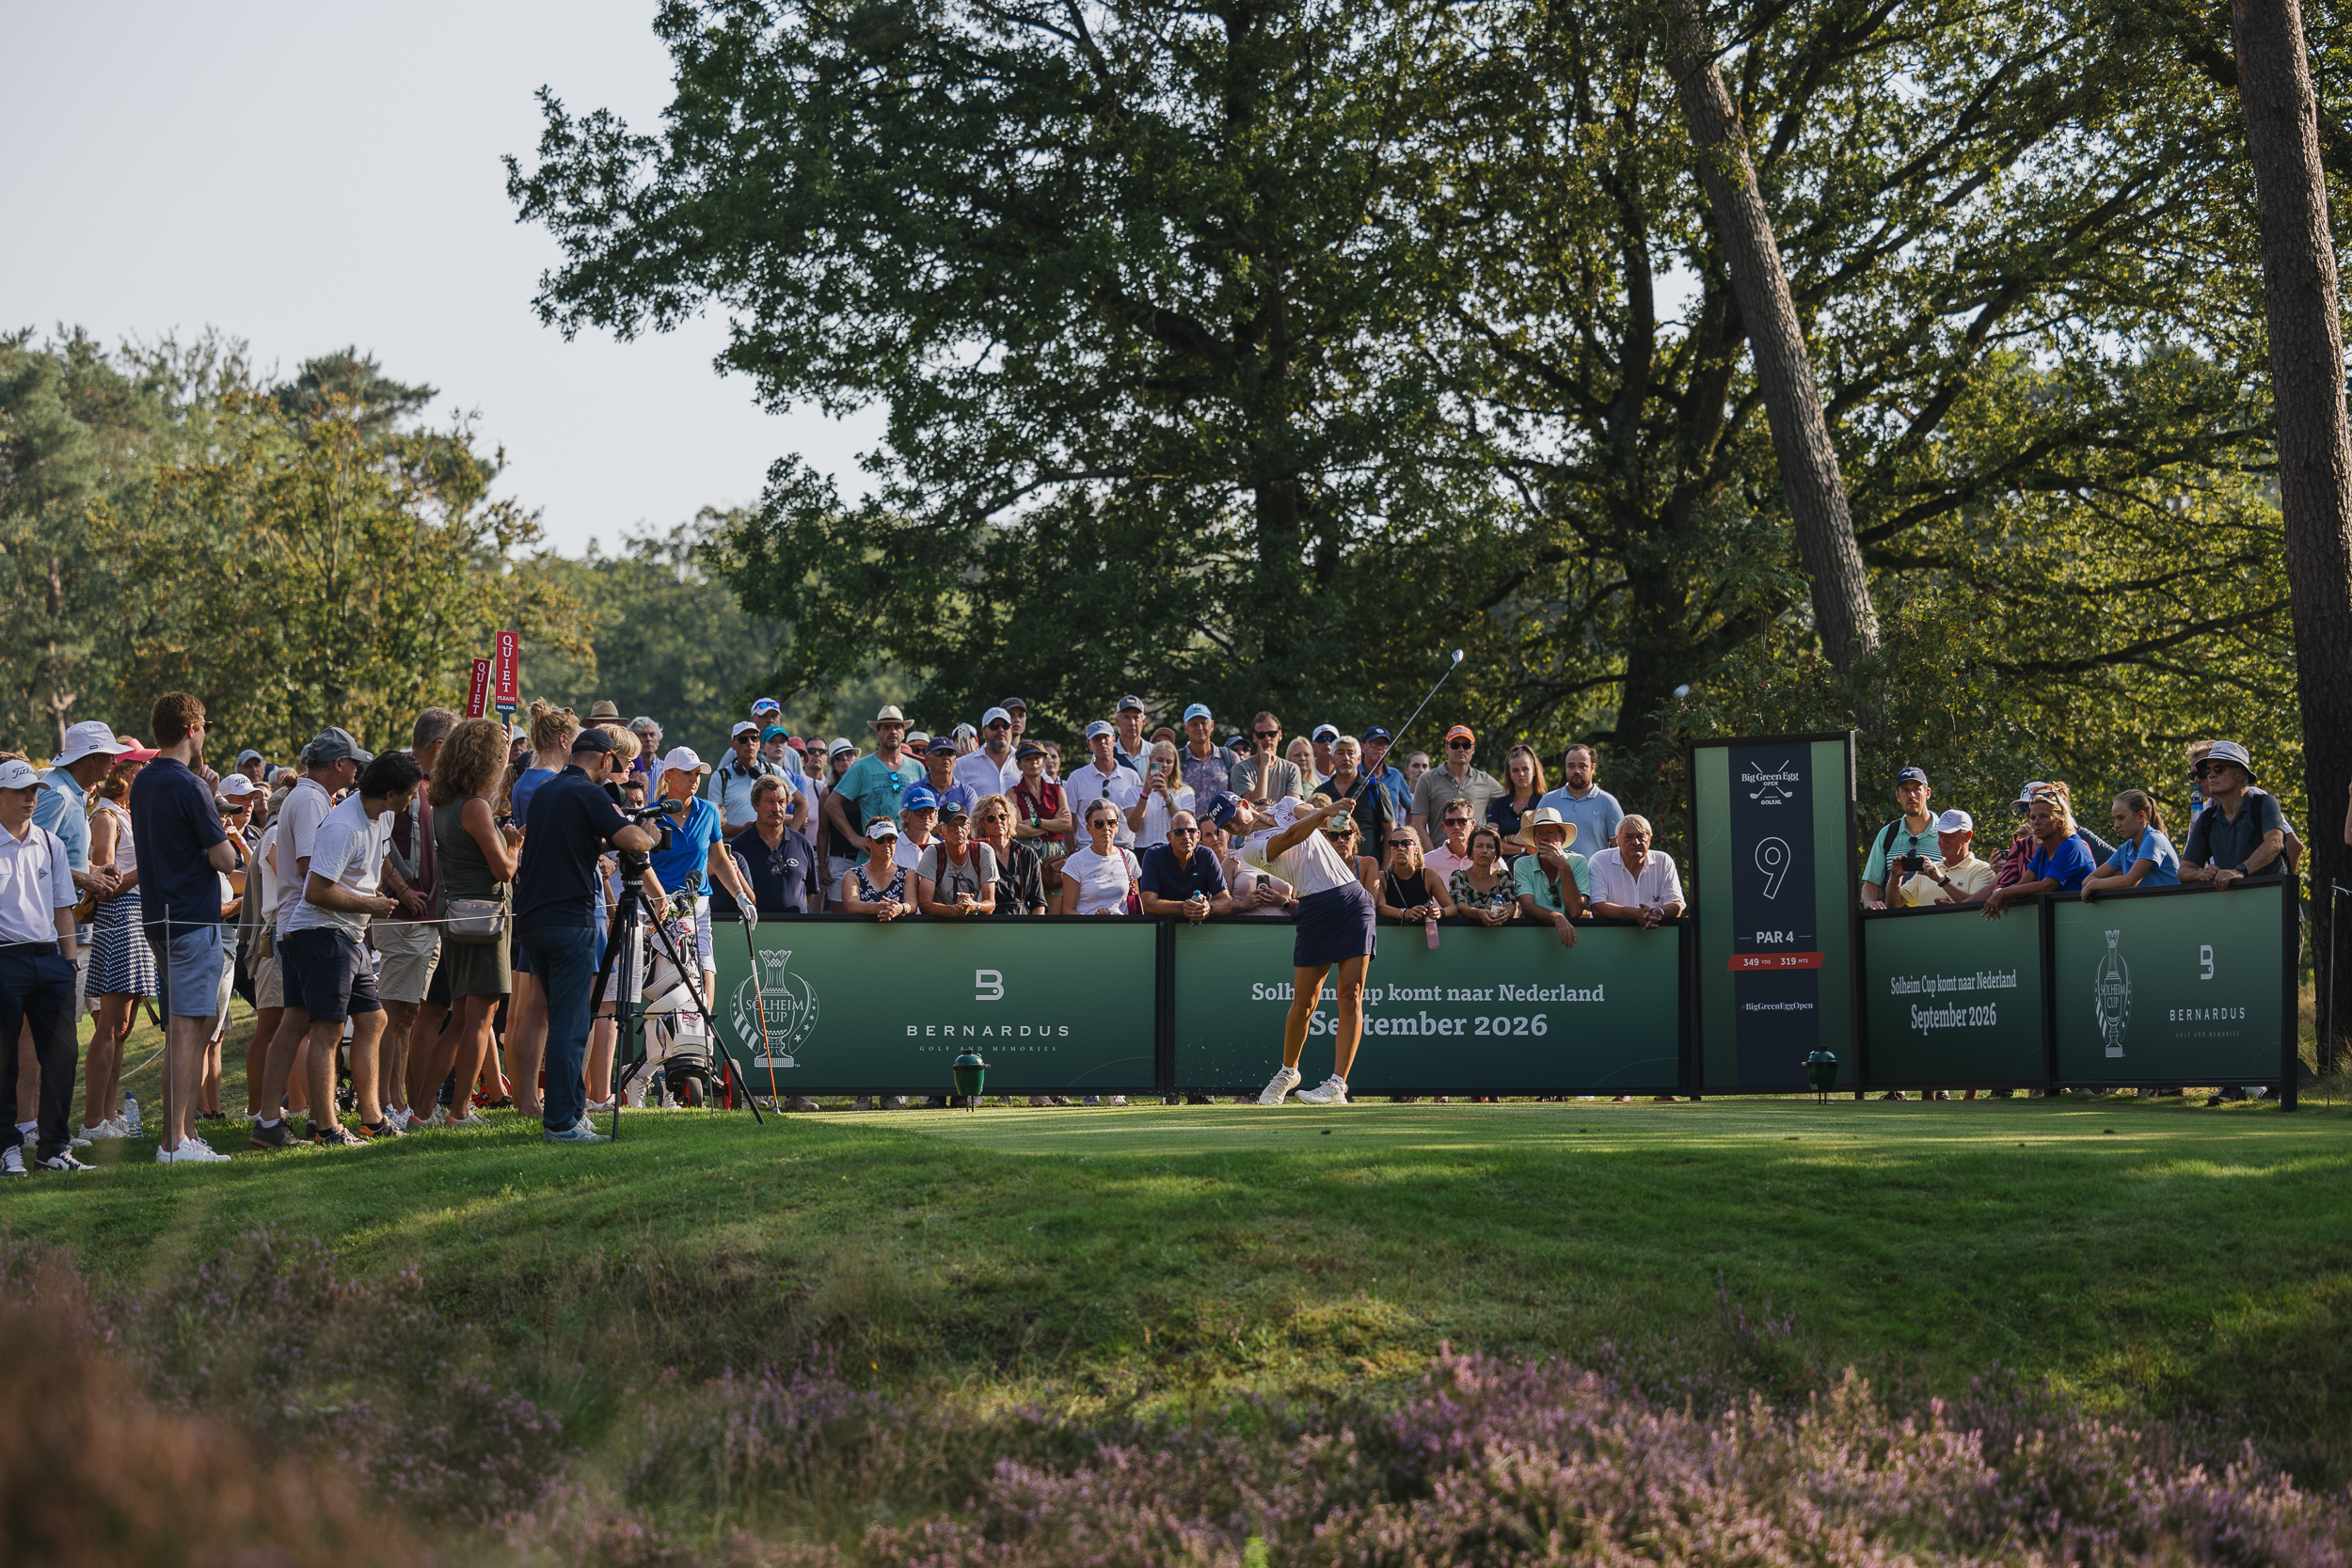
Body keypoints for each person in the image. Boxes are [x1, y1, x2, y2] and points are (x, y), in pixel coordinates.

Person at [510, 727, 659, 1144]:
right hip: (568, 919)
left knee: (560, 1018)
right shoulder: (590, 793)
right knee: (571, 1024)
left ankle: (572, 1111)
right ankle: (560, 1124)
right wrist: (654, 836)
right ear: (606, 758)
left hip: (534, 919)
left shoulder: (546, 790)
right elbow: (633, 841)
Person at [274, 750, 426, 1144]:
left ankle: (371, 1118)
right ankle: (326, 1127)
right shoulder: (342, 827)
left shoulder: (385, 814)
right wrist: (372, 904)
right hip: (321, 933)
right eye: (409, 793)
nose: (413, 800)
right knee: (327, 1030)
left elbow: (381, 858)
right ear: (390, 793)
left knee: (374, 1020)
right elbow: (316, 891)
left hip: (350, 934)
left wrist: (400, 891)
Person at [128, 693, 245, 1164]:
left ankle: (185, 1134)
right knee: (188, 1032)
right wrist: (217, 820)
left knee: (186, 1030)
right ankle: (174, 1144)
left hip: (160, 918)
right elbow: (224, 859)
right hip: (193, 919)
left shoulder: (144, 781)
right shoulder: (188, 785)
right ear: (193, 729)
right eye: (204, 729)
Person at [403, 717, 519, 1131]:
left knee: (457, 1020)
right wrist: (515, 846)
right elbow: (503, 869)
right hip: (485, 919)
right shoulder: (475, 806)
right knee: (479, 1021)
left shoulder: (443, 805)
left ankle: (420, 1111)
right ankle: (459, 1112)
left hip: (456, 918)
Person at [1221, 793, 1375, 1107]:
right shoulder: (1249, 850)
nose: (1234, 825)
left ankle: (1337, 1085)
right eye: (1227, 825)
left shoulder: (1288, 803)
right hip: (1314, 908)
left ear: (1245, 804)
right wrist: (1326, 813)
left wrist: (1337, 816)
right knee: (1304, 1003)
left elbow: (1318, 815)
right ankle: (1288, 1072)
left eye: (1233, 815)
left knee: (1350, 995)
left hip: (1351, 901)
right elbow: (1292, 836)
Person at [0, 756, 88, 1175]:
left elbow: (63, 910)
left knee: (61, 1056)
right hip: (4, 960)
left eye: (34, 790)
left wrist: (69, 965)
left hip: (50, 960)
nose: (30, 798)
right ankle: (6, 1147)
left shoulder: (50, 843)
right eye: (20, 791)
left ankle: (53, 1147)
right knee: (6, 1060)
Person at [373, 708, 455, 1132]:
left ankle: (397, 1099)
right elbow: (377, 842)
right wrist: (403, 889)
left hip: (427, 920)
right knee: (394, 1012)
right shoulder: (400, 780)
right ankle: (387, 1102)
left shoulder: (428, 787)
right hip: (403, 916)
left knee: (408, 1014)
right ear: (440, 746)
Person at [80, 752, 154, 1146]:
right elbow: (104, 880)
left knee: (123, 1028)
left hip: (136, 917)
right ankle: (94, 1120)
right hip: (120, 916)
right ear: (123, 771)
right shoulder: (106, 816)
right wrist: (150, 867)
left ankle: (109, 1115)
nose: (146, 771)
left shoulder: (126, 813)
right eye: (140, 765)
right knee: (110, 1025)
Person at [648, 745, 755, 1007]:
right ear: (669, 775)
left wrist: (740, 895)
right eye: (687, 773)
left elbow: (717, 859)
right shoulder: (650, 815)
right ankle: (667, 1039)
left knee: (705, 962)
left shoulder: (708, 811)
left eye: (698, 773)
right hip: (660, 906)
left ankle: (703, 1029)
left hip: (698, 904)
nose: (694, 779)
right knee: (667, 977)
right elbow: (643, 865)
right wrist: (658, 898)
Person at [824, 705, 924, 868]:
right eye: (886, 727)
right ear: (877, 733)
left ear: (903, 732)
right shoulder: (861, 767)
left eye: (897, 727)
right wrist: (853, 837)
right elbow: (831, 803)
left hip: (910, 857)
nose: (893, 731)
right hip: (874, 859)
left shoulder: (917, 767)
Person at [711, 776, 822, 918]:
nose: (776, 808)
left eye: (781, 802)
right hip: (755, 929)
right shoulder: (738, 847)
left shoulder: (802, 844)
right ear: (755, 805)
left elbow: (809, 893)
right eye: (769, 802)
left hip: (796, 929)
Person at [2182, 741, 2285, 888]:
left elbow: (2275, 843)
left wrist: (2240, 871)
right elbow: (2184, 870)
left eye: (2218, 769)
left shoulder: (2264, 803)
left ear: (2239, 774)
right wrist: (2201, 874)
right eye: (2207, 771)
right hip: (2233, 906)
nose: (2211, 775)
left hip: (2272, 901)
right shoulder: (2206, 818)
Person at [1982, 794, 2095, 918]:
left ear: (2060, 820)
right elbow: (2021, 884)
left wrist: (2003, 893)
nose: (2036, 822)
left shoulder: (2072, 846)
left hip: (2081, 918)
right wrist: (1998, 893)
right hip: (2060, 919)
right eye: (2033, 817)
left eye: (2044, 816)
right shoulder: (2043, 851)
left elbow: (2046, 886)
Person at [1860, 766, 1940, 910]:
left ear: (1927, 793)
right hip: (1894, 924)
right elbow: (1870, 884)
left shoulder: (1945, 833)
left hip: (1936, 920)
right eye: (1905, 790)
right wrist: (1869, 902)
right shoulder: (1887, 834)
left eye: (1917, 789)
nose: (1911, 795)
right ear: (1898, 796)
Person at [1408, 726, 1502, 847]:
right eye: (1455, 745)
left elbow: (1513, 800)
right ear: (1447, 748)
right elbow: (1418, 825)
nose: (1461, 749)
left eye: (1466, 745)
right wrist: (1434, 857)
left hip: (1477, 859)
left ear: (1473, 749)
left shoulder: (1485, 780)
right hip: (1439, 858)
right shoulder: (1427, 780)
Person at [1586, 816, 1686, 927]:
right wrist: (1634, 914)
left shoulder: (1663, 861)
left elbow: (1677, 905)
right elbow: (1597, 907)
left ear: (1650, 839)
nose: (1635, 842)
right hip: (1609, 935)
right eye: (1628, 837)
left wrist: (1658, 913)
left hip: (1653, 937)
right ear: (1617, 840)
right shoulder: (1600, 860)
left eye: (1641, 836)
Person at [1511, 807, 1588, 947]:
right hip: (1529, 937)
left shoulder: (1578, 861)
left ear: (1562, 837)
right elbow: (1527, 908)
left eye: (1550, 832)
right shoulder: (1522, 864)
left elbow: (1575, 910)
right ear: (1534, 840)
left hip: (1569, 941)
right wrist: (1557, 917)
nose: (1544, 838)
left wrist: (1564, 867)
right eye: (1539, 834)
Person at [1201, 801, 1294, 915]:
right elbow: (1215, 904)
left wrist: (1283, 901)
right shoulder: (1234, 859)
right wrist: (1244, 904)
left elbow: (1308, 904)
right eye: (1227, 826)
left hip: (1284, 929)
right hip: (1244, 930)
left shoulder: (1292, 855)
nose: (1259, 825)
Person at [1311, 736, 1393, 863]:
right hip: (1329, 870)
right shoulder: (1320, 792)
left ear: (1359, 759)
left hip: (1369, 870)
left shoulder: (1375, 788)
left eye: (1351, 753)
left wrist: (1385, 869)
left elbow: (1390, 829)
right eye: (1340, 753)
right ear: (1332, 759)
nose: (1346, 758)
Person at [2084, 790, 2180, 896]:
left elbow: (2130, 881)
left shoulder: (2154, 839)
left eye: (2121, 818)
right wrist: (2093, 884)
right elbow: (2087, 881)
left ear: (2140, 816)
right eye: (2115, 819)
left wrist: (2094, 885)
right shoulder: (2125, 849)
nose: (2116, 825)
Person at [1136, 810, 1232, 918]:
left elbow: (1226, 902)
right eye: (1179, 831)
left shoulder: (1207, 855)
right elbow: (1147, 904)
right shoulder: (1154, 855)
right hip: (1163, 929)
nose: (1186, 836)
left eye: (1191, 831)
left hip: (1198, 927)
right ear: (1169, 837)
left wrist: (1208, 908)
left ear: (1198, 835)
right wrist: (1183, 908)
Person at [1535, 744, 1623, 858]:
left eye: (1582, 766)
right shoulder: (1548, 801)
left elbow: (1620, 849)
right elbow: (1533, 844)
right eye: (1571, 766)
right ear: (1565, 767)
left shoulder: (1608, 803)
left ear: (1593, 768)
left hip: (1594, 874)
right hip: (1554, 875)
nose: (1576, 771)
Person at [1058, 799, 1142, 915]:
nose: (1106, 828)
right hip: (1090, 930)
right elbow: (1068, 910)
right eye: (1099, 823)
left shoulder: (1128, 858)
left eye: (1111, 823)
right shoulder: (1076, 862)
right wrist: (1093, 919)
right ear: (1088, 829)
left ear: (1116, 827)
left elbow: (1136, 901)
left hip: (1123, 929)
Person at [1067, 721, 1142, 850]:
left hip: (1125, 848)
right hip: (1088, 848)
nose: (1102, 742)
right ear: (1089, 745)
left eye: (1105, 738)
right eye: (1096, 739)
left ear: (1113, 741)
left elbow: (1140, 816)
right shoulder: (1076, 778)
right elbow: (1069, 822)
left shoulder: (1131, 776)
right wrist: (1071, 852)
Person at [917, 798, 999, 916]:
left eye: (962, 825)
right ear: (940, 831)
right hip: (942, 926)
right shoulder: (933, 852)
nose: (958, 830)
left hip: (976, 924)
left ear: (969, 827)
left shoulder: (984, 851)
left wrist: (973, 906)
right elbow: (925, 904)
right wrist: (954, 910)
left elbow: (991, 904)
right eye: (952, 825)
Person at [1901, 809, 1996, 907]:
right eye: (1940, 836)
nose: (1942, 842)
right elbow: (1892, 904)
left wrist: (1941, 880)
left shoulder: (1984, 870)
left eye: (1950, 836)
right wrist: (1895, 877)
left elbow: (1977, 908)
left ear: (1967, 836)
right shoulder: (1927, 871)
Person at [974, 794, 1049, 916]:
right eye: (991, 818)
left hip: (1024, 924)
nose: (998, 821)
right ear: (981, 823)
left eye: (1003, 816)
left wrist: (1034, 931)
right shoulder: (976, 855)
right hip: (991, 924)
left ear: (1009, 819)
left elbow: (1039, 902)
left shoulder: (1027, 854)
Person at [708, 721, 784, 834]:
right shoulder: (720, 777)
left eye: (754, 738)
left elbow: (802, 803)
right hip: (734, 847)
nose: (750, 743)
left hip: (770, 847)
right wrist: (742, 830)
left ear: (759, 743)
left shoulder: (774, 771)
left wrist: (790, 835)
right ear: (733, 744)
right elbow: (713, 823)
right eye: (743, 740)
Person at [1009, 741, 1073, 871]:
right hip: (1024, 852)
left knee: (1055, 891)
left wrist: (1036, 822)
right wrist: (1053, 826)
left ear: (1043, 761)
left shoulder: (1058, 790)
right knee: (1026, 891)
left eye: (1038, 758)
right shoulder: (1013, 793)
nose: (1034, 762)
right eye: (1027, 759)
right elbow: (1017, 830)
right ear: (1019, 765)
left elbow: (1066, 825)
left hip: (1054, 855)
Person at [1126, 739, 1197, 850]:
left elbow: (1185, 826)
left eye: (1169, 762)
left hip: (1173, 850)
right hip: (1144, 850)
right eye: (1159, 760)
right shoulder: (1134, 791)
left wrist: (1166, 796)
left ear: (1174, 764)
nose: (1164, 765)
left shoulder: (1185, 792)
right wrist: (1145, 793)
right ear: (1150, 760)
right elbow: (1133, 826)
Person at [840, 816, 914, 919]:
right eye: (880, 839)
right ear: (868, 842)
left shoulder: (908, 874)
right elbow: (850, 905)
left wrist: (901, 908)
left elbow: (912, 903)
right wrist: (875, 907)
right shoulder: (852, 876)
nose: (886, 843)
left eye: (891, 839)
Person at [1375, 832, 1452, 923]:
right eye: (1394, 844)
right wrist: (1405, 913)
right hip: (1391, 934)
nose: (1400, 848)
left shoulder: (1428, 875)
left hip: (1422, 934)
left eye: (1406, 843)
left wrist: (1440, 912)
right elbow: (1379, 908)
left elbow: (1452, 908)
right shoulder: (1382, 877)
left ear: (1416, 849)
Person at [1448, 826, 1518, 926]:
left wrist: (1504, 914)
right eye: (1479, 846)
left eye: (1490, 847)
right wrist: (1479, 913)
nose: (1484, 851)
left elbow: (1511, 906)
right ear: (1471, 850)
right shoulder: (1458, 877)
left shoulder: (1503, 876)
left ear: (1496, 852)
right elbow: (1460, 906)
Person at [1232, 712, 1306, 806]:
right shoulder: (1240, 768)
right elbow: (1256, 804)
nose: (1267, 738)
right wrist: (1264, 765)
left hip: (1283, 820)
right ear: (1254, 737)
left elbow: (1293, 806)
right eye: (1261, 735)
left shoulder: (1291, 769)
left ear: (1280, 735)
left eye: (1272, 733)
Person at [1486, 744, 1548, 849]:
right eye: (1515, 770)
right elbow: (1491, 843)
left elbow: (1546, 841)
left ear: (1534, 771)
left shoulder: (1545, 802)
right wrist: (1523, 850)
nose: (1521, 774)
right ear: (1509, 774)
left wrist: (1507, 839)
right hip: (1503, 865)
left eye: (1525, 769)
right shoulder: (1498, 805)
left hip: (1536, 864)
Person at [954, 706, 1022, 798]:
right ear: (984, 731)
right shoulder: (962, 765)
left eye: (1005, 725)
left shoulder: (1025, 759)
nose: (1000, 729)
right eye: (994, 725)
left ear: (1010, 729)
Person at [1179, 703, 1239, 800]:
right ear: (1185, 728)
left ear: (1212, 725)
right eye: (1194, 724)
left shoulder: (1230, 758)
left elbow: (1238, 798)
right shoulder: (1175, 760)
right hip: (1185, 815)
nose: (1200, 728)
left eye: (1204, 723)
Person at [920, 734, 982, 820]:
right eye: (939, 752)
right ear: (927, 759)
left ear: (955, 760)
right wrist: (954, 823)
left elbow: (971, 827)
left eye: (950, 753)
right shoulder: (914, 790)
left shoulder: (968, 793)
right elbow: (913, 826)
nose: (946, 757)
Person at [1359, 726, 1410, 819]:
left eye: (1383, 744)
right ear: (1363, 747)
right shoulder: (1353, 774)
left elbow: (1410, 808)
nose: (1379, 747)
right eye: (1373, 742)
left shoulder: (1396, 775)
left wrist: (1406, 829)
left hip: (1391, 833)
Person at [1423, 800, 1477, 878]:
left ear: (1472, 824)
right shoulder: (1427, 862)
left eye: (1462, 821)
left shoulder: (1489, 859)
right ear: (1443, 826)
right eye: (1450, 822)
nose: (1456, 826)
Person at [1112, 695, 1151, 775]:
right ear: (1117, 721)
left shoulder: (1154, 753)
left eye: (1136, 718)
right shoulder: (1109, 754)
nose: (1132, 723)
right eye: (1126, 717)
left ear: (1143, 721)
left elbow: (1158, 782)